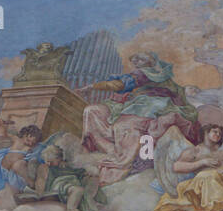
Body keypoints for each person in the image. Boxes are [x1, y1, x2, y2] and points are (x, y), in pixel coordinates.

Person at [79, 53, 200, 185]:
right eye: (134, 58)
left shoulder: (147, 74)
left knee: (125, 126)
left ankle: (121, 162)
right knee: (92, 111)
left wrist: (92, 87)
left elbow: (118, 85)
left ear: (151, 62)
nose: (136, 61)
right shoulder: (151, 76)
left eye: (141, 59)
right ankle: (111, 151)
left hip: (151, 104)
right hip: (133, 103)